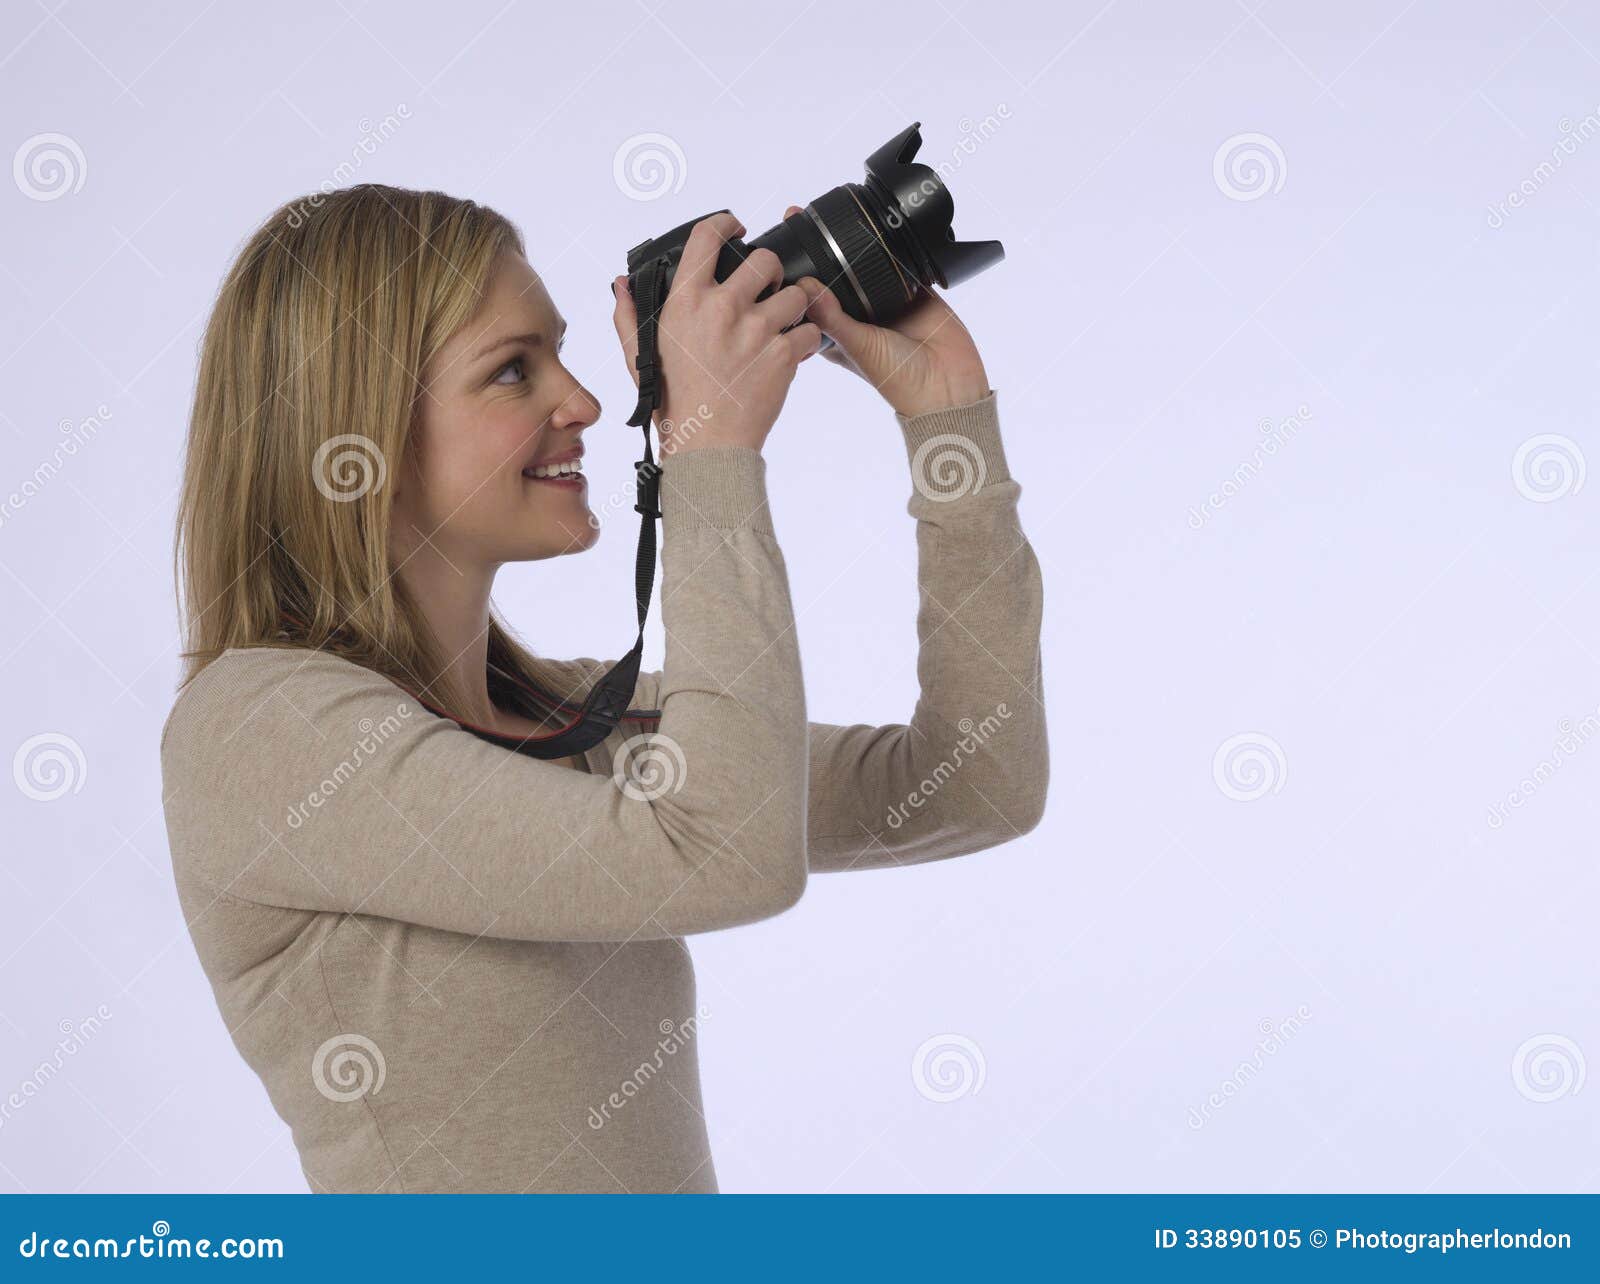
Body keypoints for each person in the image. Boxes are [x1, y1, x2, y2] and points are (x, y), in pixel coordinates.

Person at [161, 185, 1047, 1192]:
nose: (583, 402)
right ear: (353, 429)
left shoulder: (571, 727)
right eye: (511, 370)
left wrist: (948, 424)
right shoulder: (263, 734)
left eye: (562, 355)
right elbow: (726, 857)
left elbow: (973, 784)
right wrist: (708, 454)